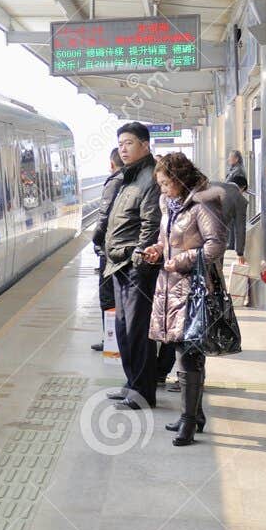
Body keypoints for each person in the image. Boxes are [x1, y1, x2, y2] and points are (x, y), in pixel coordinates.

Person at [144, 153, 227, 446]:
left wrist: (181, 260)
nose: (163, 190)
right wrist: (157, 250)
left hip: (195, 287)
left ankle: (189, 421)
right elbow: (167, 239)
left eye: (167, 184)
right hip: (170, 286)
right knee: (183, 349)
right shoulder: (168, 203)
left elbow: (216, 245)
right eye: (160, 184)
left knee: (189, 353)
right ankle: (193, 414)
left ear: (180, 179)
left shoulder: (203, 203)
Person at [102, 123, 162, 409]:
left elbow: (151, 224)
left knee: (138, 332)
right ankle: (132, 384)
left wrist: (139, 260)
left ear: (145, 145)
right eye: (120, 144)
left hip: (135, 266)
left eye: (129, 143)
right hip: (119, 264)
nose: (123, 149)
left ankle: (143, 392)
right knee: (124, 329)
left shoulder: (150, 178)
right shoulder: (129, 176)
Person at [89, 147, 124, 353]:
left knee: (108, 296)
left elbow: (104, 215)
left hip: (110, 251)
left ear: (111, 164)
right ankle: (120, 340)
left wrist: (96, 240)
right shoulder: (132, 179)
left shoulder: (114, 182)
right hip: (123, 249)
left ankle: (112, 341)